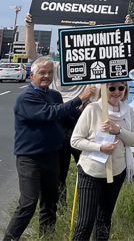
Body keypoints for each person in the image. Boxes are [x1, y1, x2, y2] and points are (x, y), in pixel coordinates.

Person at [3, 57, 96, 241]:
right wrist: (80, 98)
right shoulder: (26, 98)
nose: (46, 76)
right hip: (30, 159)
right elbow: (50, 113)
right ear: (32, 75)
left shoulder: (54, 95)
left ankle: (47, 237)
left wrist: (85, 108)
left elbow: (67, 116)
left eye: (49, 73)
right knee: (28, 202)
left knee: (50, 201)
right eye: (42, 73)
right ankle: (10, 238)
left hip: (52, 156)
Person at [23, 13, 104, 203]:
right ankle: (60, 208)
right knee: (57, 173)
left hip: (82, 123)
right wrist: (29, 27)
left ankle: (89, 205)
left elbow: (100, 93)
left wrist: (126, 26)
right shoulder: (54, 68)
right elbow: (31, 55)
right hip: (58, 124)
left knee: (90, 167)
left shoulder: (92, 69)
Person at [70, 81, 134, 240]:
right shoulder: (93, 109)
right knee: (86, 222)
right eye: (112, 88)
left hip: (116, 172)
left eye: (121, 88)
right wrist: (99, 148)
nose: (117, 92)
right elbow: (75, 141)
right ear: (104, 89)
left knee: (104, 220)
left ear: (125, 90)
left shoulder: (128, 112)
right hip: (91, 172)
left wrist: (118, 130)